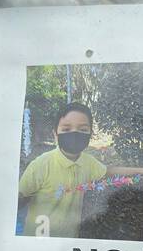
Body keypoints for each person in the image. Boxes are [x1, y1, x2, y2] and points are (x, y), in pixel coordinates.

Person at [18, 101, 108, 237]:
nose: (75, 135)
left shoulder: (88, 162)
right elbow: (20, 197)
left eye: (83, 130)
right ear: (55, 134)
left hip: (69, 241)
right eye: (66, 129)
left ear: (90, 133)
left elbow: (109, 171)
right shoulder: (41, 165)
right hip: (37, 241)